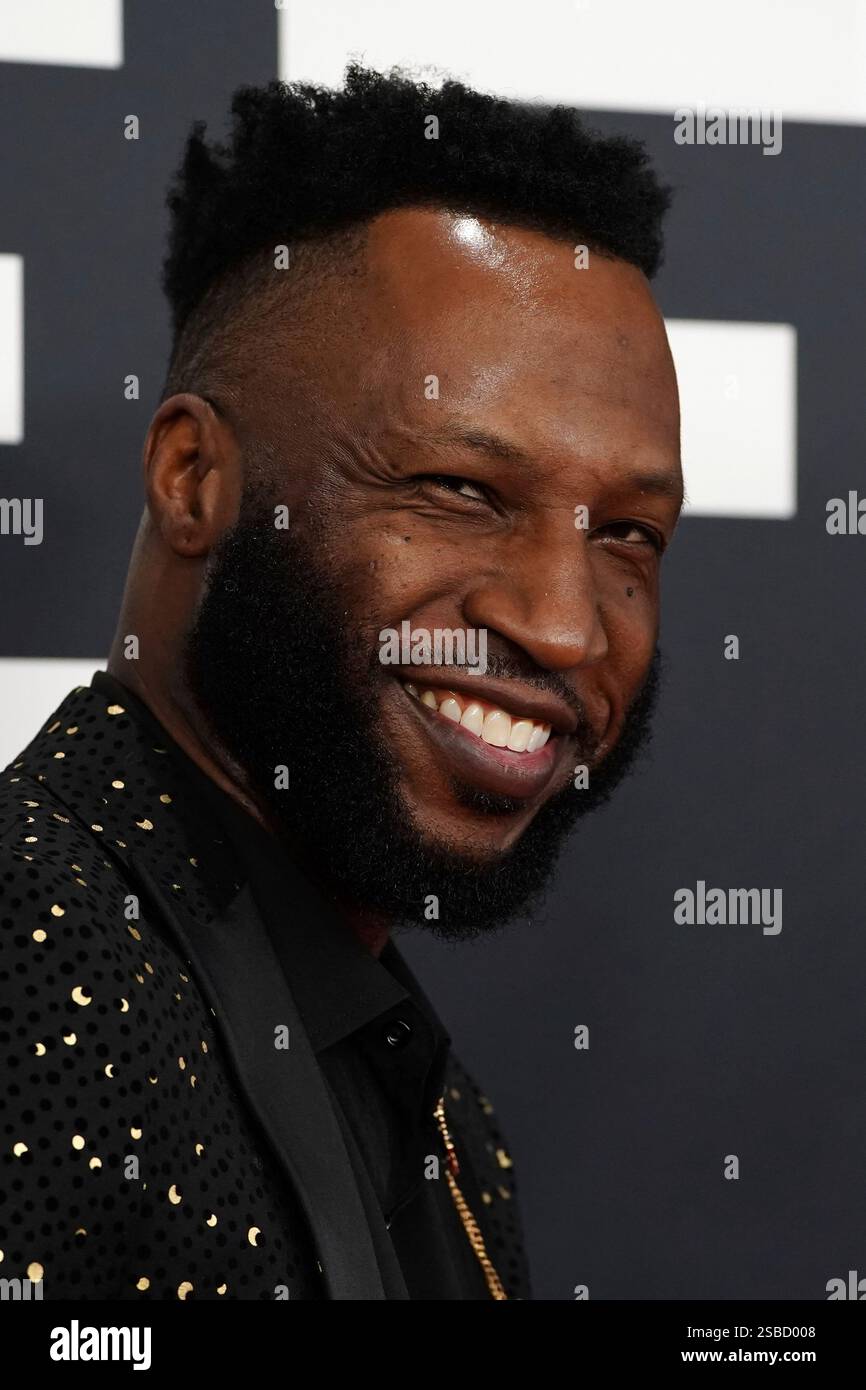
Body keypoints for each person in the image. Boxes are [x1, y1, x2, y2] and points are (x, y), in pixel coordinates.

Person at [0, 65, 682, 1300]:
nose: (566, 626)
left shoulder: (447, 1125)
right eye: (461, 492)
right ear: (195, 477)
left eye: (626, 534)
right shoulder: (31, 953)